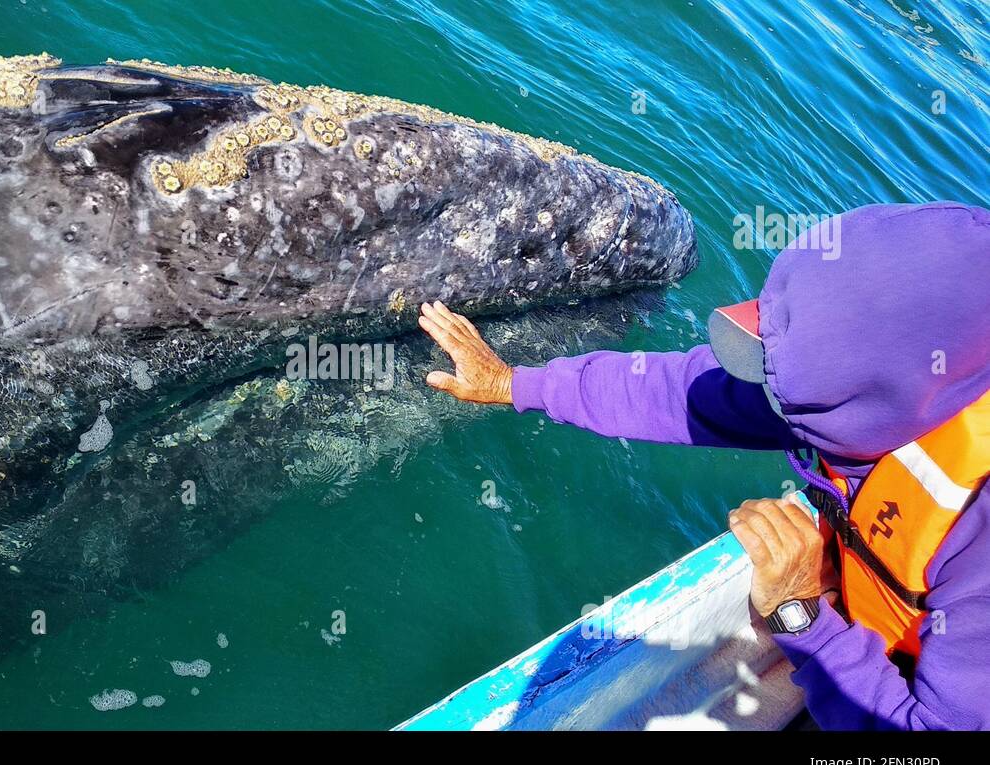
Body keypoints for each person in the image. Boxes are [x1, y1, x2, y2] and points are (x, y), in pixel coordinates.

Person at [418, 202, 990, 730]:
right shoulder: (923, 379)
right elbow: (675, 391)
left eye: (796, 397)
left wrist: (799, 616)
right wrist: (515, 383)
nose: (764, 400)